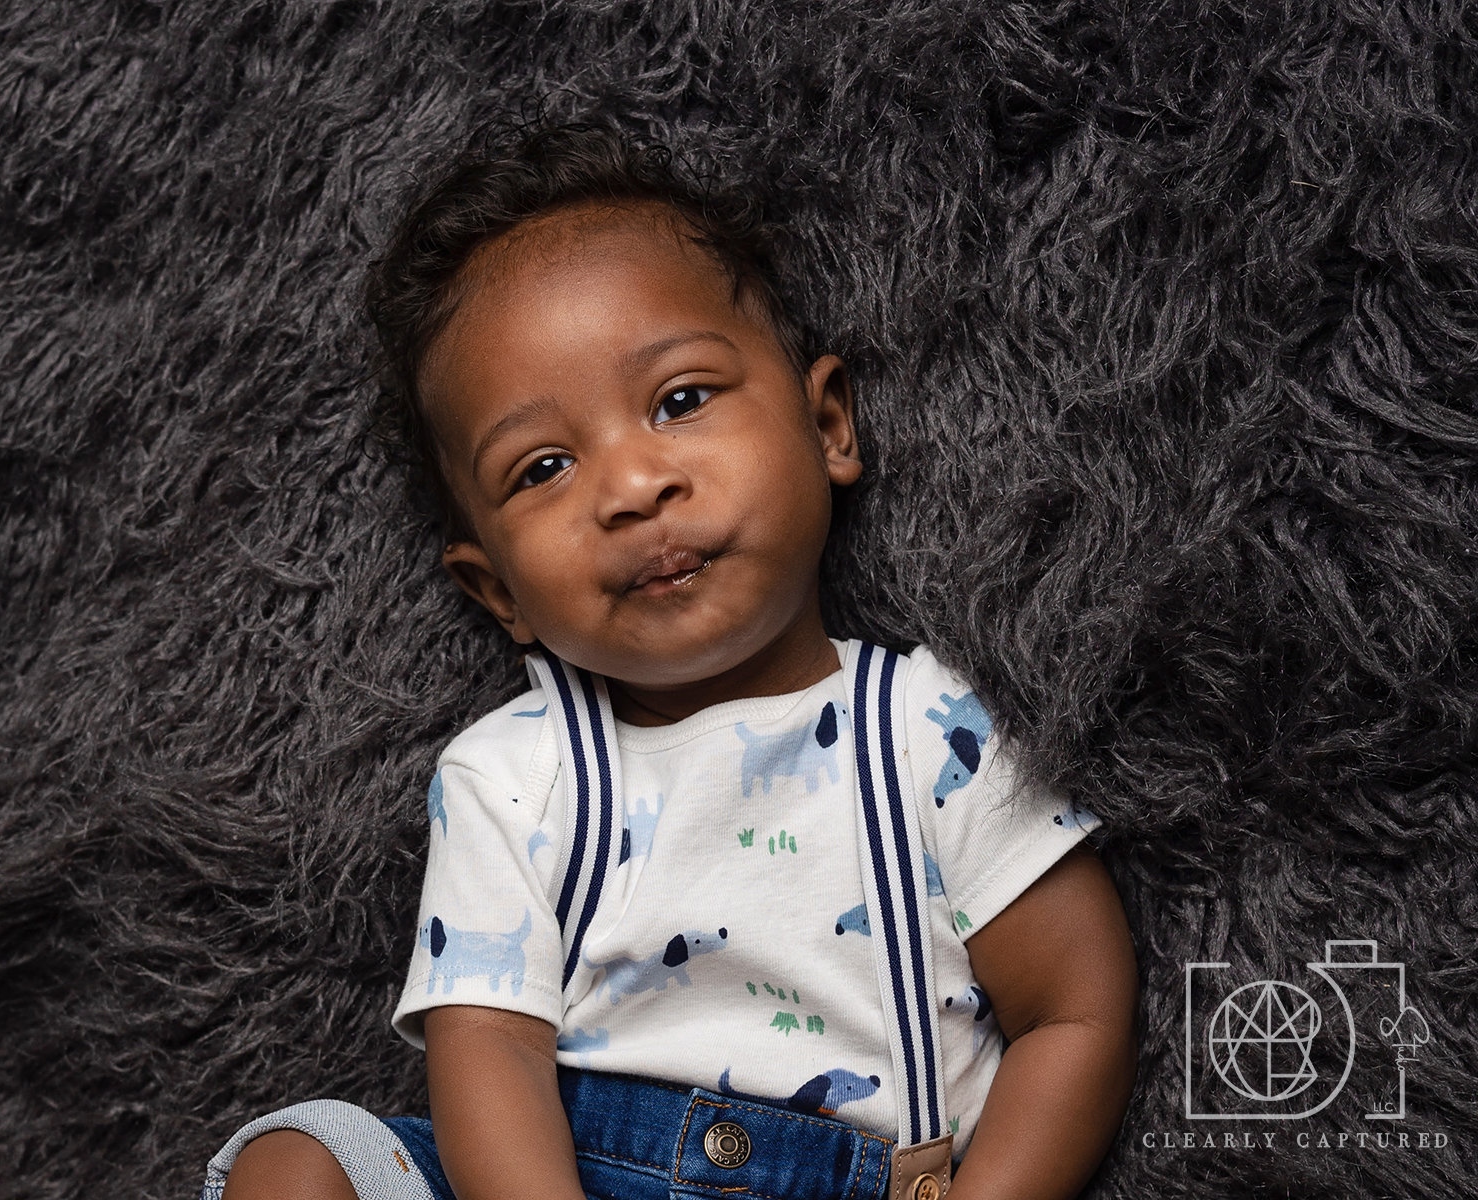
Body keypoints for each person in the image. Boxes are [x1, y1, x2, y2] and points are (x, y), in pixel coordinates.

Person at [203, 124, 1137, 1200]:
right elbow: (490, 1054)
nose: (633, 486)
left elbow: (1077, 1006)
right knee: (293, 1168)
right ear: (498, 588)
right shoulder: (512, 777)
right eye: (545, 466)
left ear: (827, 425)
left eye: (680, 401)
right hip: (563, 1175)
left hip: (852, 1178)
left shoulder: (928, 729)